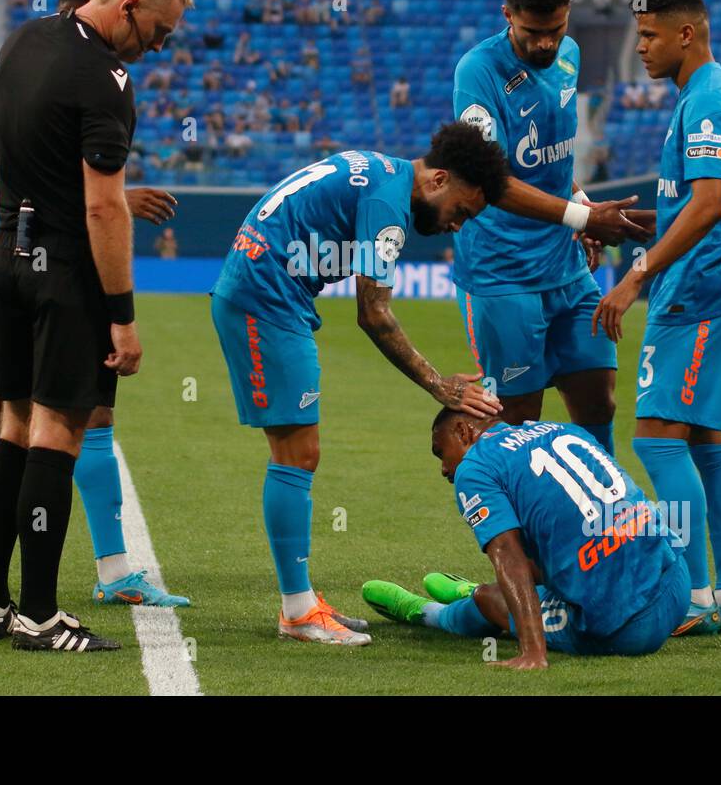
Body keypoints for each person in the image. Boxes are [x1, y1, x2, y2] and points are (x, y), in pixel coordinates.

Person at [0, 0, 185, 614]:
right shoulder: (105, 78)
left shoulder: (19, 46)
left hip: (8, 255)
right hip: (64, 270)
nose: (160, 46)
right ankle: (40, 616)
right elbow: (101, 209)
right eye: (159, 31)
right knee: (58, 432)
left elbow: (12, 162)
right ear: (127, 5)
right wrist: (122, 317)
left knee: (10, 424)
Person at [210, 124, 519, 646]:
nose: (456, 226)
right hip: (265, 299)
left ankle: (301, 604)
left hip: (266, 292)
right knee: (296, 454)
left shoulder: (377, 168)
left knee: (298, 453)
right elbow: (374, 314)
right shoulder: (388, 205)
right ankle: (297, 612)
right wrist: (441, 386)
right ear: (439, 179)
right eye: (461, 212)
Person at [594, 0, 721, 637]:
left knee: (658, 440)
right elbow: (696, 204)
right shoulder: (720, 94)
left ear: (685, 34)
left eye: (649, 36)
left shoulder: (704, 102)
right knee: (715, 445)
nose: (639, 48)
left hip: (698, 290)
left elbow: (709, 204)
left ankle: (692, 598)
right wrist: (643, 225)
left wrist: (635, 276)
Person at [451, 0, 651, 456]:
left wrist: (582, 203)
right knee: (519, 420)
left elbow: (550, 161)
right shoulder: (478, 72)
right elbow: (490, 179)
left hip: (565, 266)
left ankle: (601, 521)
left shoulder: (570, 56)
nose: (545, 43)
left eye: (556, 29)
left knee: (598, 402)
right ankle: (524, 531)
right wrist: (585, 217)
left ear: (568, 12)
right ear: (507, 15)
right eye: (531, 32)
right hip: (502, 273)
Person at [361, 410, 689, 668]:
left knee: (491, 600)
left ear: (463, 431)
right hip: (677, 583)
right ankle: (468, 590)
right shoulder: (563, 428)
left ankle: (430, 612)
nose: (445, 468)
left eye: (441, 452)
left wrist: (532, 652)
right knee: (569, 552)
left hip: (630, 627)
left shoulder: (474, 467)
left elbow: (508, 555)